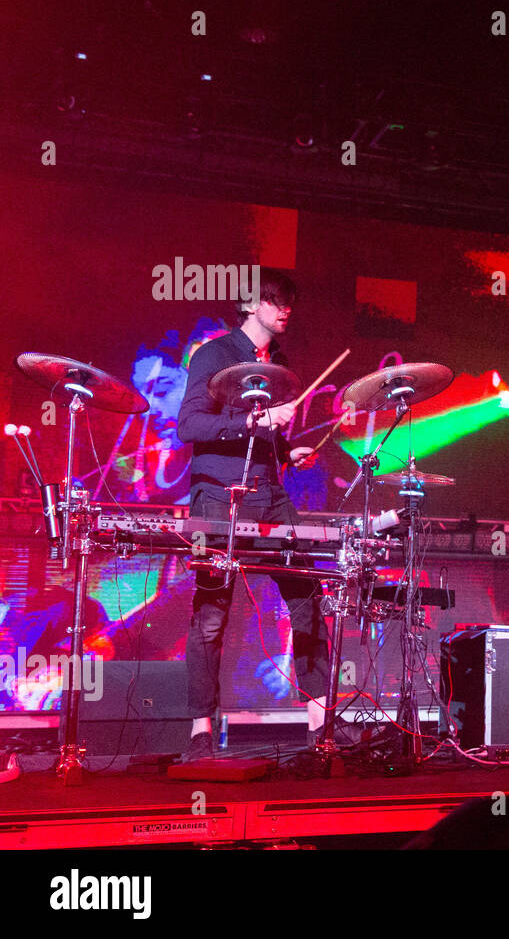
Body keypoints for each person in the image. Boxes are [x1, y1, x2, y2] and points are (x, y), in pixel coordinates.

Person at [176, 269, 338, 760]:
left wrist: (287, 451)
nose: (283, 308)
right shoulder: (215, 355)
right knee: (211, 615)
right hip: (218, 496)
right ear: (250, 306)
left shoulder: (279, 363)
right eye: (272, 300)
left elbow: (265, 434)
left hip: (269, 494)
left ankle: (320, 726)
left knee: (308, 596)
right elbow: (189, 425)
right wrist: (253, 420)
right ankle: (201, 731)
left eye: (288, 301)